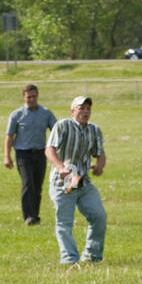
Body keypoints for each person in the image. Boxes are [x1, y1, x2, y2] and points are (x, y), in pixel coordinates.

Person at [45, 95, 107, 264]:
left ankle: (92, 256)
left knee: (99, 217)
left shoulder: (94, 130)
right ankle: (69, 259)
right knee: (64, 223)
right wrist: (61, 168)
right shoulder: (63, 126)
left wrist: (100, 166)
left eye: (88, 108)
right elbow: (50, 149)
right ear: (73, 111)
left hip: (84, 182)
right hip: (62, 183)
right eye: (81, 108)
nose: (85, 112)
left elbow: (100, 153)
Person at [3, 84, 56, 225]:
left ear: (37, 96)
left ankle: (35, 216)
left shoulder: (46, 113)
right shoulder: (16, 115)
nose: (31, 99)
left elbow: (56, 131)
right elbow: (9, 136)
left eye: (34, 96)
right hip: (23, 154)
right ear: (24, 97)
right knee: (28, 184)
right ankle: (28, 217)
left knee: (37, 187)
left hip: (40, 154)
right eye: (28, 97)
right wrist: (7, 156)